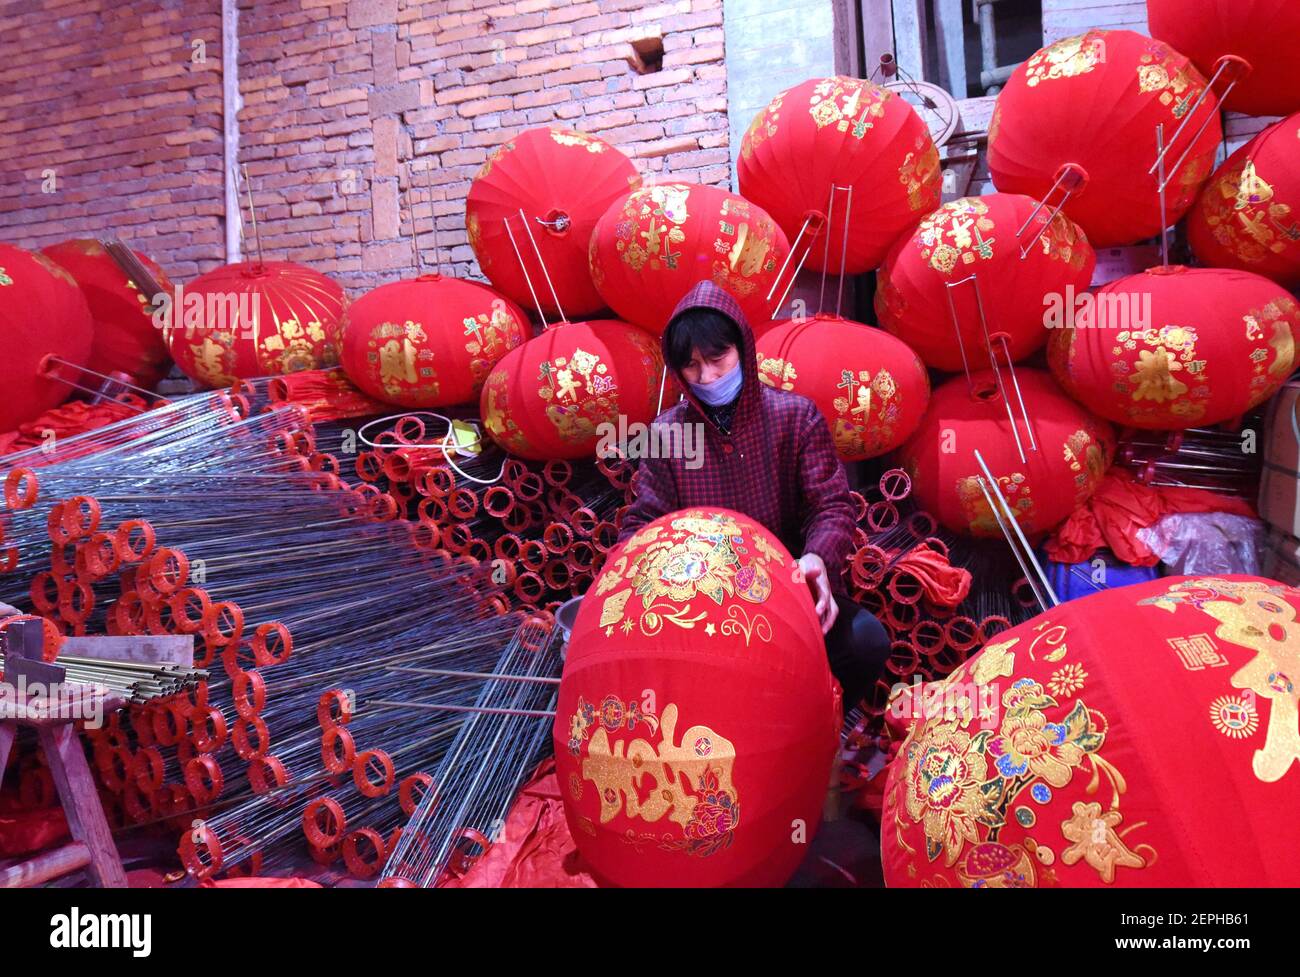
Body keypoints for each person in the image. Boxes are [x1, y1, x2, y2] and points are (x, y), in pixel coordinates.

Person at [617, 280, 891, 708]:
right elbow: (644, 521)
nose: (706, 377)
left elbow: (832, 505)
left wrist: (818, 556)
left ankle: (816, 722)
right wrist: (625, 567)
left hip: (790, 590)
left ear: (743, 347)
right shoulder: (666, 435)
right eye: (690, 365)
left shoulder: (793, 417)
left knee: (864, 642)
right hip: (701, 605)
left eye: (716, 358)